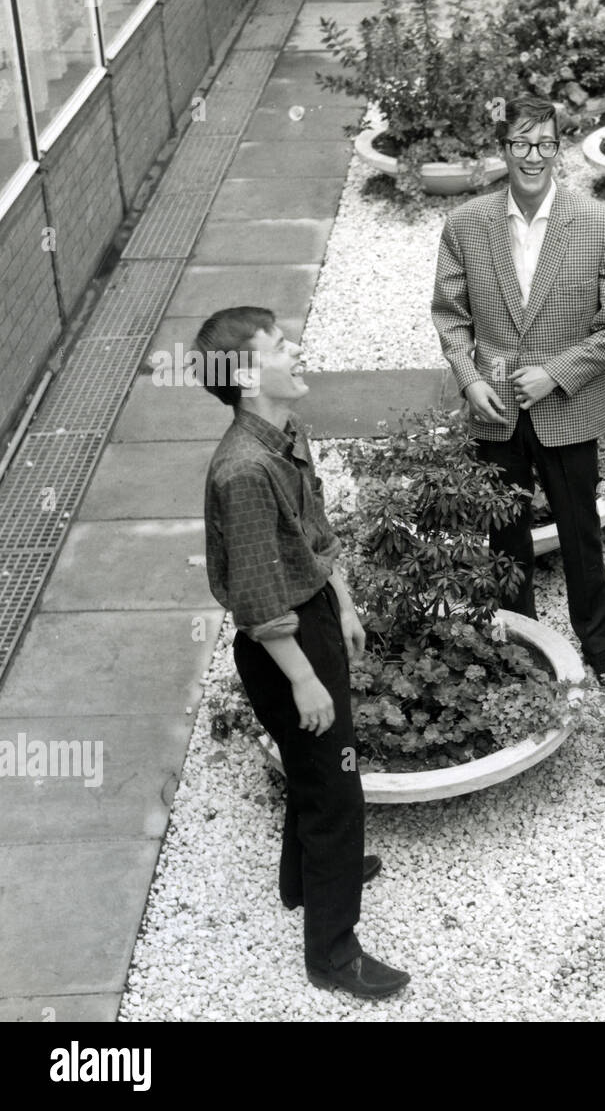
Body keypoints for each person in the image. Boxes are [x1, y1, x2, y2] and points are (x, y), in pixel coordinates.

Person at [196, 307, 409, 999]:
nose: (299, 351)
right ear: (250, 375)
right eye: (282, 346)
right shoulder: (244, 472)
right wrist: (305, 682)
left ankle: (303, 879)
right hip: (283, 646)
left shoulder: (286, 434)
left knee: (314, 768)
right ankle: (333, 953)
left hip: (311, 620)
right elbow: (258, 602)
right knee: (337, 790)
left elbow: (315, 532)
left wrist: (343, 602)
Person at [431, 95, 605, 687]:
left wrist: (556, 372)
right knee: (506, 537)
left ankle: (596, 647)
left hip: (569, 409)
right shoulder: (466, 224)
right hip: (493, 408)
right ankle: (525, 644)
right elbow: (450, 316)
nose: (532, 156)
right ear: (503, 149)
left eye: (545, 144)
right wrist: (469, 380)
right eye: (520, 144)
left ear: (559, 149)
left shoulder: (602, 224)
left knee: (580, 535)